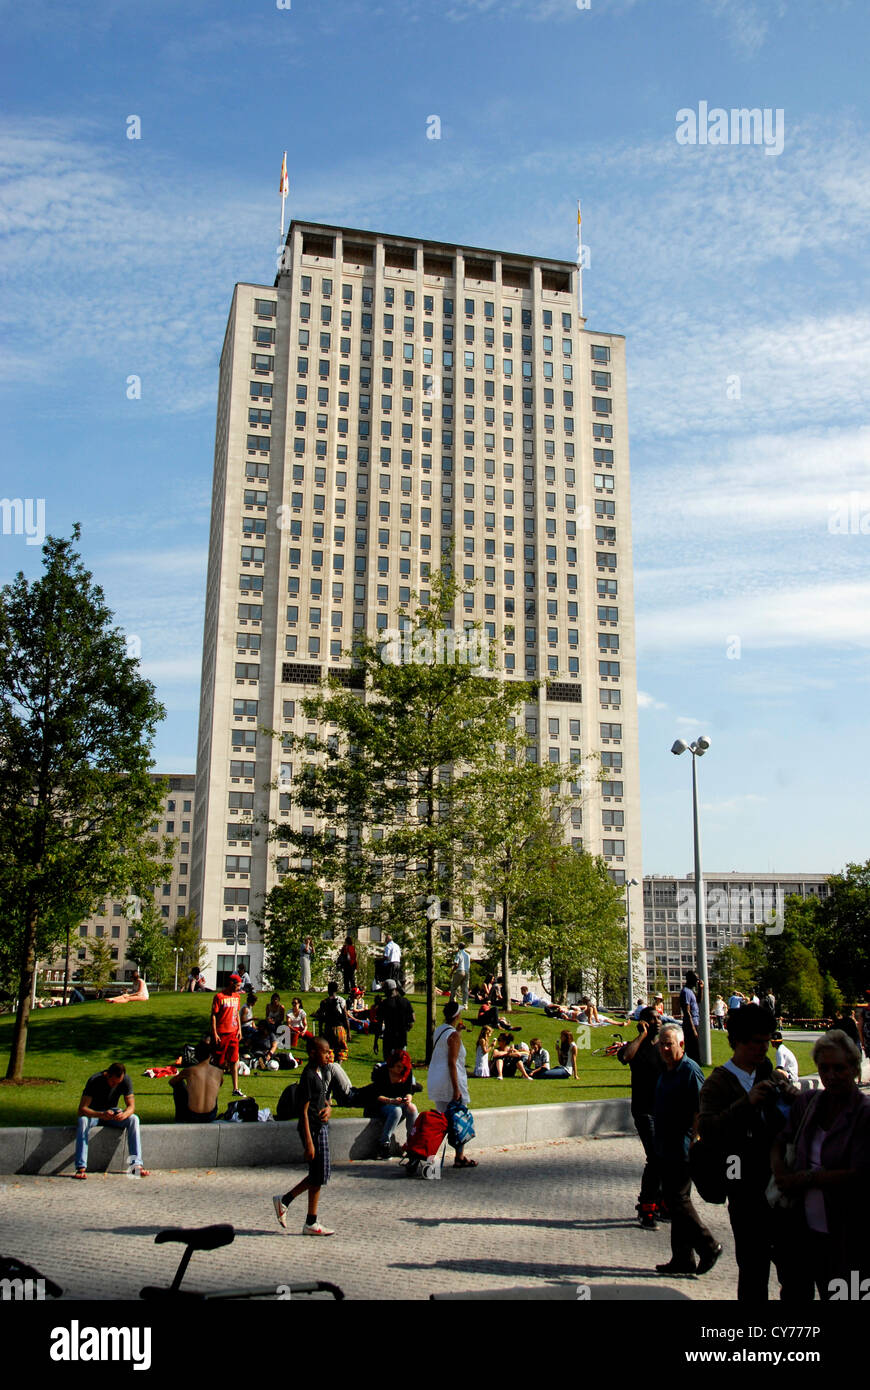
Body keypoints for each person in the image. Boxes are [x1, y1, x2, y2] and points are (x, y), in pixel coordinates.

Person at [698, 1003, 795, 1301]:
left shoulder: (770, 1072)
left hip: (779, 1189)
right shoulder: (717, 1082)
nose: (763, 1048)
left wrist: (793, 1099)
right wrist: (745, 1103)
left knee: (793, 1269)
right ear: (737, 1041)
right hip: (744, 1190)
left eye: (766, 1042)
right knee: (753, 1271)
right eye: (756, 1042)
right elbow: (710, 1130)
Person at [770, 1030, 870, 1301]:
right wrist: (780, 1172)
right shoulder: (808, 1103)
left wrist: (805, 1180)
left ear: (854, 1068)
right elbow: (781, 1140)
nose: (831, 1075)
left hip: (848, 1235)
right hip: (801, 1231)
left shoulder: (864, 1113)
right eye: (824, 1068)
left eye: (839, 1068)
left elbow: (859, 1174)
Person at [653, 1024, 721, 1277]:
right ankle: (682, 1258)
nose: (665, 1048)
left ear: (682, 1045)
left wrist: (697, 1138)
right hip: (665, 1145)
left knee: (678, 1200)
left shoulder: (689, 1071)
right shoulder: (667, 1069)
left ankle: (709, 1245)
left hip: (682, 1147)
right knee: (674, 1201)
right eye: (662, 1044)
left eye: (669, 1043)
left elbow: (701, 1108)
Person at [272, 1036, 335, 1236]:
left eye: (329, 1052)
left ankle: (309, 1220)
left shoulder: (321, 1072)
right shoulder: (308, 1075)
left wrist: (329, 1109)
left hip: (321, 1125)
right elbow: (303, 1110)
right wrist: (309, 1142)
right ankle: (287, 1202)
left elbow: (323, 1099)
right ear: (313, 1053)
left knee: (319, 1176)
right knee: (318, 1175)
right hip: (313, 1129)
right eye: (325, 1052)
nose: (328, 1055)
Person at [618, 1008, 664, 1228]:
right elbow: (625, 1058)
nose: (657, 1021)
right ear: (643, 1022)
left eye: (659, 1018)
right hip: (644, 1111)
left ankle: (662, 1202)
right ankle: (646, 1207)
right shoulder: (636, 1047)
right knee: (655, 1158)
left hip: (665, 1111)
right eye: (652, 1019)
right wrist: (641, 1036)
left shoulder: (665, 1046)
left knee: (666, 1157)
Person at [75, 1063, 149, 1178]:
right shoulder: (95, 1080)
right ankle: (81, 1167)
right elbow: (82, 1109)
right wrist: (100, 1114)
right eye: (113, 1082)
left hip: (111, 1113)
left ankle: (137, 1165)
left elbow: (131, 1107)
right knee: (83, 1121)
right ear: (107, 1075)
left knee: (134, 1119)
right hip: (95, 1114)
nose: (115, 1085)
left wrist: (124, 1115)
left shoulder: (125, 1080)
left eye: (118, 1083)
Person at [428, 1001, 477, 1168]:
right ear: (457, 1016)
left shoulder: (441, 1031)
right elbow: (452, 1062)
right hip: (451, 1081)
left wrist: (458, 1032)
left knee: (441, 1120)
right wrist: (456, 1089)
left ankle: (434, 1157)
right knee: (458, 1117)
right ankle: (457, 1156)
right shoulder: (453, 1035)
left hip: (437, 1079)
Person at [359, 1050, 423, 1159]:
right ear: (392, 1064)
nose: (400, 1070)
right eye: (398, 1066)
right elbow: (375, 1095)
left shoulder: (406, 1072)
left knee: (412, 1108)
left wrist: (408, 1098)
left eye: (403, 1067)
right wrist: (391, 1101)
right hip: (381, 1104)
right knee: (396, 1111)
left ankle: (412, 1143)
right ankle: (384, 1143)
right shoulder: (381, 1072)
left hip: (398, 1102)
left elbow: (409, 1090)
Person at [168, 1042, 223, 1123]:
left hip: (192, 1115)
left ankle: (180, 1119)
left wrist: (189, 1089)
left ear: (196, 1055)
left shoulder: (189, 1070)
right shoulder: (219, 1071)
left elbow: (172, 1082)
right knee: (213, 1086)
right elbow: (220, 1083)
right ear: (210, 1055)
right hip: (210, 1115)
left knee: (179, 1085)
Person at [211, 972, 245, 1097]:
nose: (239, 988)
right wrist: (215, 1032)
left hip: (234, 1032)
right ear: (232, 984)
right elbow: (214, 1015)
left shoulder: (237, 997)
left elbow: (236, 1014)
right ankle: (213, 1087)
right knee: (219, 1062)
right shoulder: (219, 997)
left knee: (234, 1060)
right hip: (222, 1032)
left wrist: (240, 1029)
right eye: (238, 985)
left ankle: (235, 1088)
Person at [374, 977, 415, 1057]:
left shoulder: (383, 1004)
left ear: (385, 990)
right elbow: (412, 1020)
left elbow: (379, 1024)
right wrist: (406, 1029)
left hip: (388, 1038)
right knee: (400, 1063)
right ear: (395, 988)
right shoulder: (405, 1002)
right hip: (401, 1038)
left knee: (388, 1064)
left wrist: (375, 1042)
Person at [314, 982, 350, 1061]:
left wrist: (320, 1031)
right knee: (341, 1049)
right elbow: (345, 1017)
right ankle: (339, 1065)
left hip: (328, 1028)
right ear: (337, 990)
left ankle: (330, 1064)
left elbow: (321, 1017)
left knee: (330, 1048)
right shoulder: (341, 1001)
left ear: (328, 990)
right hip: (339, 1028)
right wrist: (348, 1032)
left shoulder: (324, 1002)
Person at [679, 970, 703, 1064]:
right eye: (695, 979)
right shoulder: (685, 992)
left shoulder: (691, 991)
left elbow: (698, 1000)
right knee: (692, 1048)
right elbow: (687, 1011)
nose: (697, 981)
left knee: (695, 1048)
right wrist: (693, 1029)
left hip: (695, 1022)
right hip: (690, 1024)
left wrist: (701, 988)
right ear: (689, 979)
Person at [449, 941, 471, 1009]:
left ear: (459, 947)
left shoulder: (459, 954)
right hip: (467, 972)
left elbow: (456, 964)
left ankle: (452, 1002)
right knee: (465, 989)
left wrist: (451, 972)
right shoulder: (467, 955)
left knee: (454, 987)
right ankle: (465, 1005)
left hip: (460, 971)